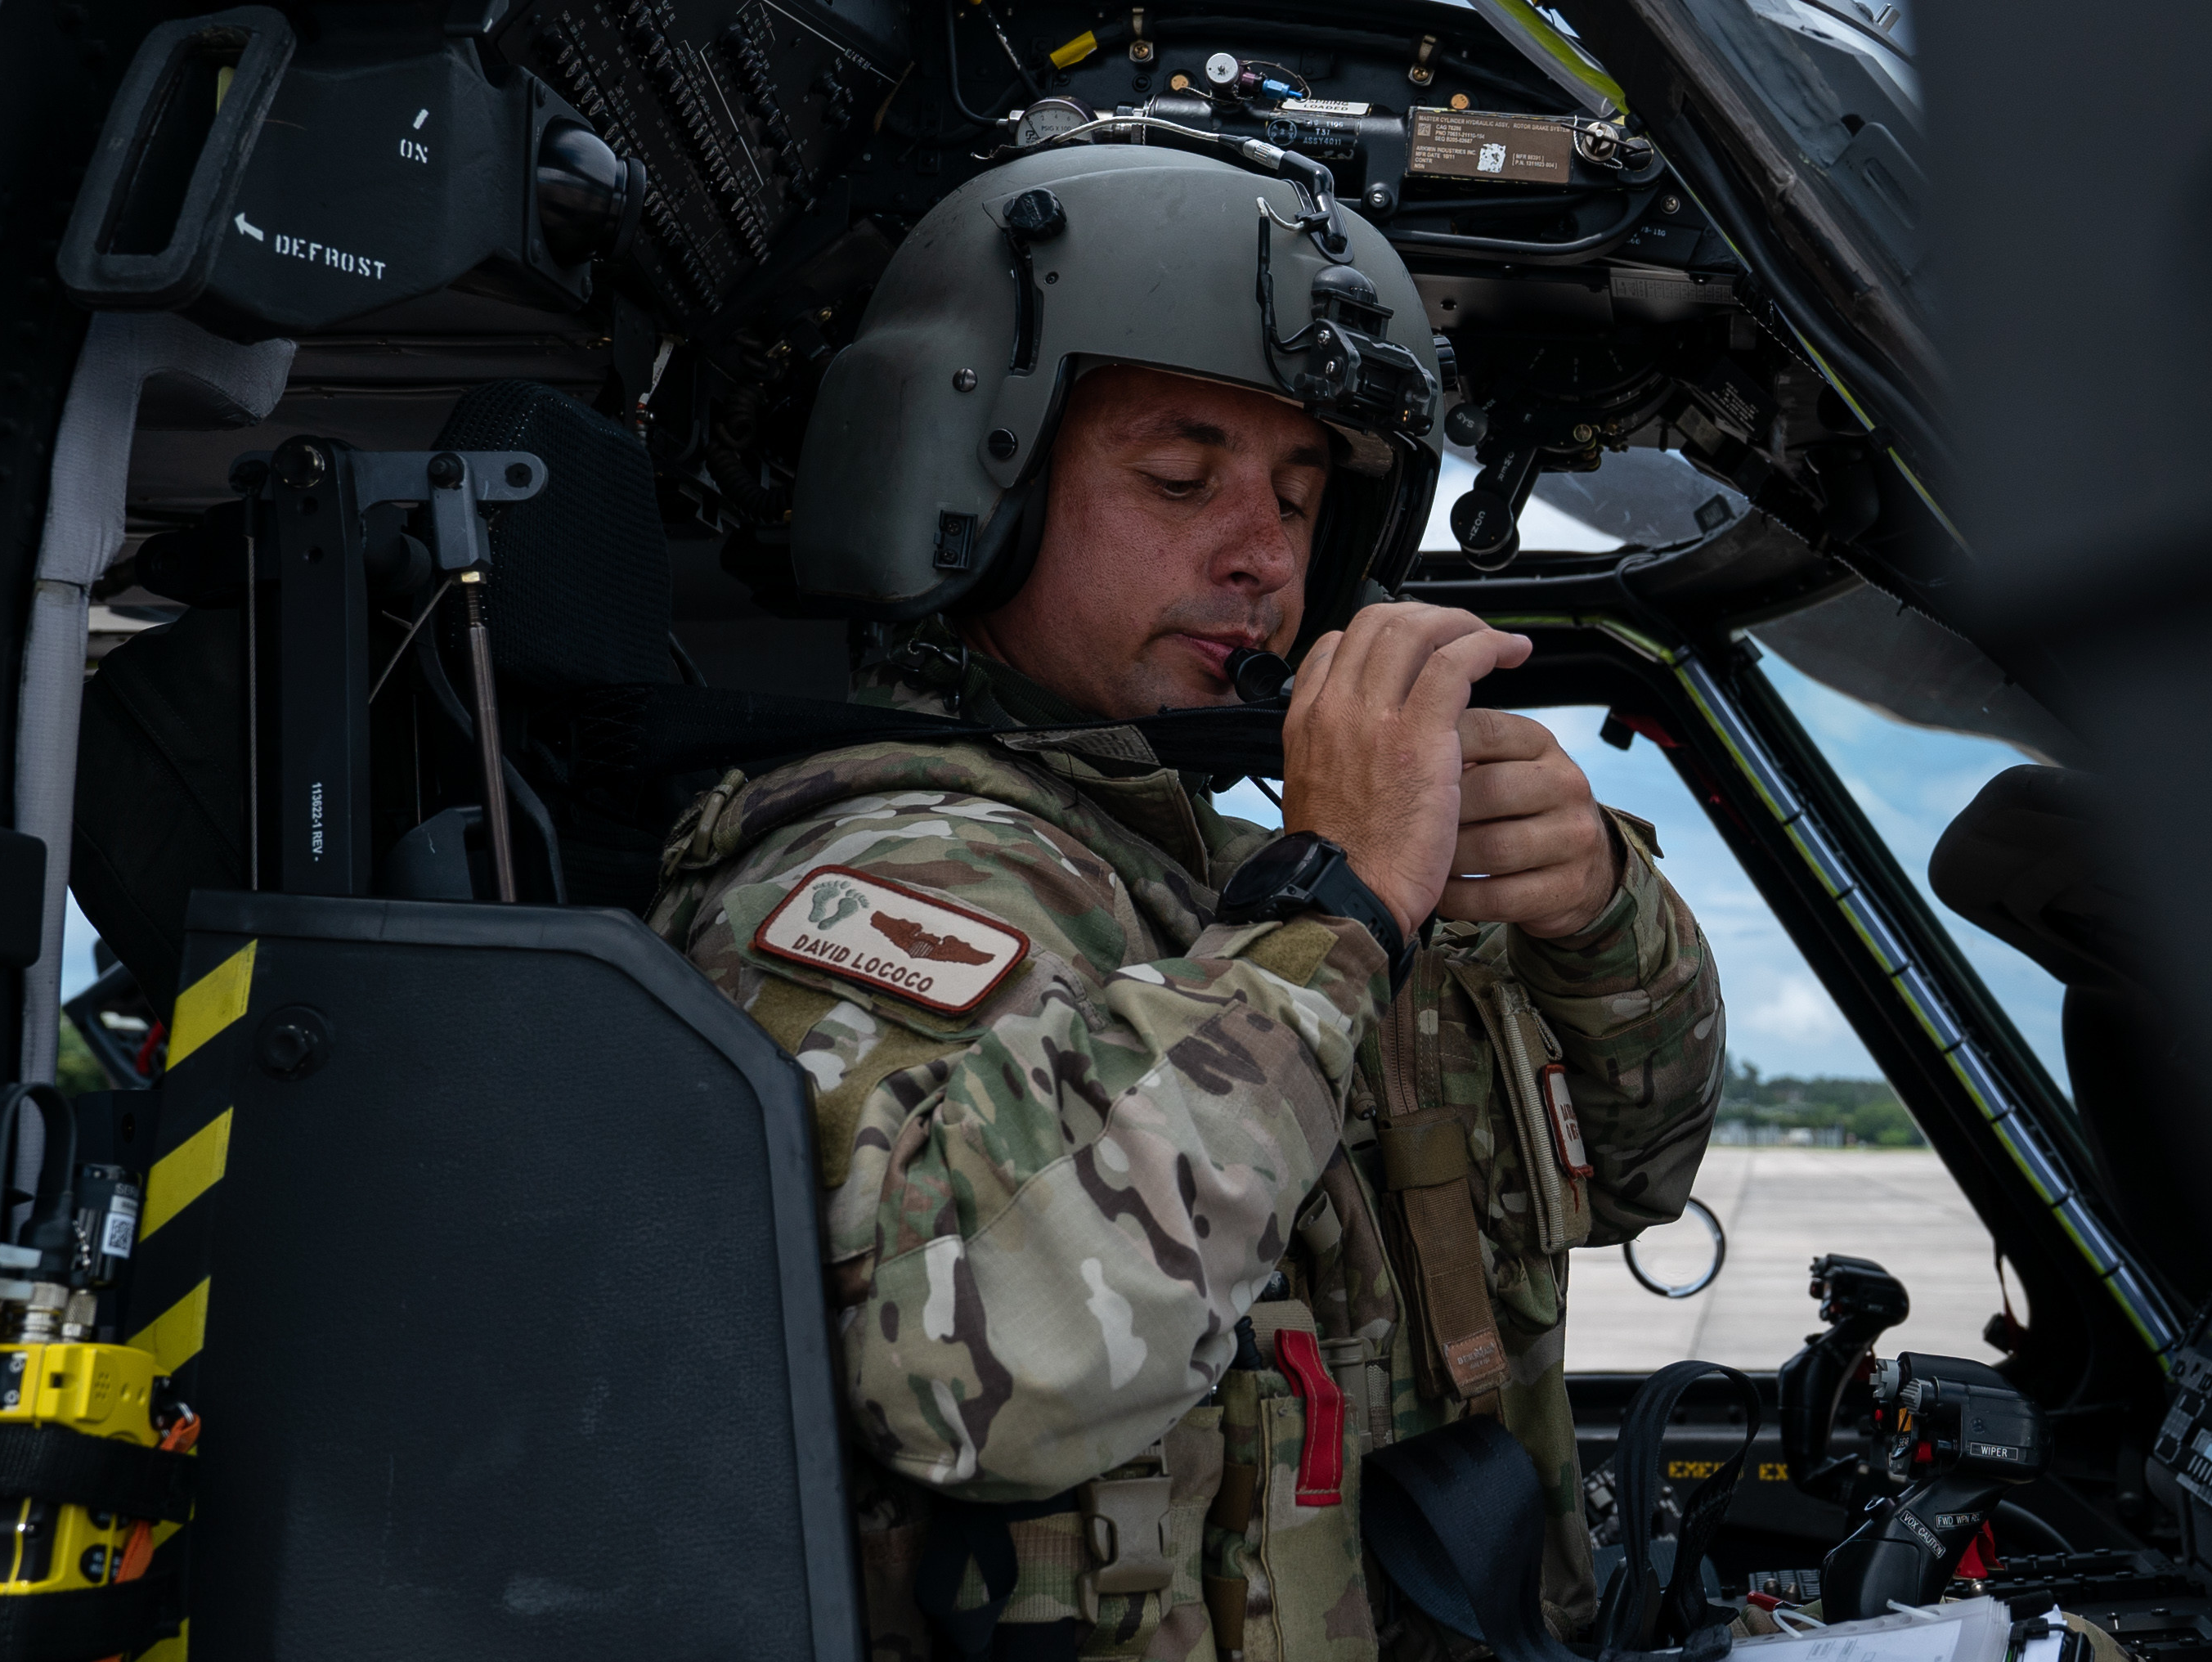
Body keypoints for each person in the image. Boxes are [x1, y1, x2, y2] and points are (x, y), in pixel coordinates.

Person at [647, 144, 1725, 1662]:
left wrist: (1596, 912)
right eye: (1178, 480)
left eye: (1300, 500)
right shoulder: (889, 882)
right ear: (984, 481)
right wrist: (1336, 908)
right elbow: (986, 1383)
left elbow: (1637, 1174)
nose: (1264, 558)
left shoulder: (1255, 887)